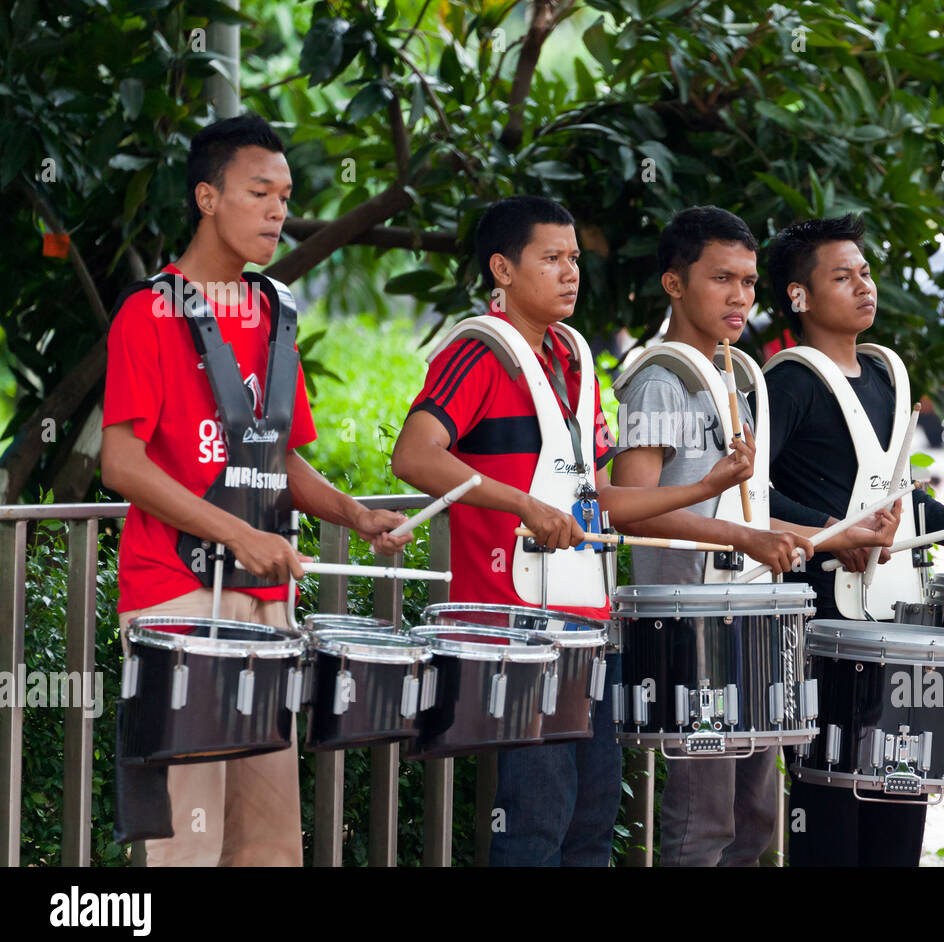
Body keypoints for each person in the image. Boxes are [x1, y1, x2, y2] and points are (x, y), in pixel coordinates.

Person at [390, 196, 747, 865]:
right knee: (534, 825)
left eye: (574, 259)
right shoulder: (478, 351)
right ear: (502, 268)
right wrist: (522, 505)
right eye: (550, 258)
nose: (569, 273)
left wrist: (708, 486)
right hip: (517, 627)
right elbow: (414, 455)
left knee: (589, 823)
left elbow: (602, 499)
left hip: (587, 625)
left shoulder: (575, 360)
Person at [101, 113, 412, 867]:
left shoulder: (275, 314)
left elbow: (278, 462)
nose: (279, 210)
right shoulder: (149, 313)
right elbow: (122, 463)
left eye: (286, 194)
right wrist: (238, 533)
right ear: (207, 198)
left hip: (264, 602)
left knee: (269, 843)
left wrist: (355, 513)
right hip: (177, 596)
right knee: (185, 843)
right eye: (259, 192)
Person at [609, 206, 899, 867]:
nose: (740, 296)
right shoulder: (661, 379)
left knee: (755, 823)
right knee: (700, 826)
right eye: (721, 280)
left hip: (752, 626)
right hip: (692, 632)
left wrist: (825, 536)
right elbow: (632, 507)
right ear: (674, 284)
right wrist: (746, 540)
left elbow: (748, 507)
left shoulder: (736, 376)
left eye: (747, 281)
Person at [763, 214, 944, 866]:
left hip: (890, 624)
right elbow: (748, 499)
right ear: (798, 297)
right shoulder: (789, 382)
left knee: (898, 806)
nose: (863, 285)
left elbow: (893, 499)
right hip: (822, 629)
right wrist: (830, 537)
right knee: (830, 816)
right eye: (841, 275)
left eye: (865, 272)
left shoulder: (883, 380)